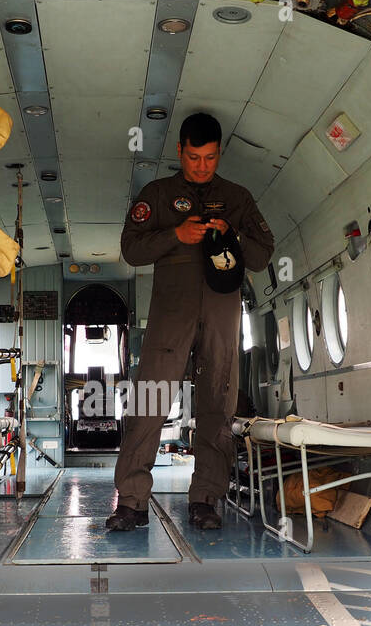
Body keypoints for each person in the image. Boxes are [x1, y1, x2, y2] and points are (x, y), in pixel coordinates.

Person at [107, 112, 274, 532]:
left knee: (217, 405)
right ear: (180, 151)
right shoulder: (159, 195)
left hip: (221, 313)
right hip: (171, 316)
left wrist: (232, 234)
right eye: (194, 157)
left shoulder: (238, 198)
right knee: (148, 403)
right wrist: (175, 236)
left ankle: (205, 499)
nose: (202, 166)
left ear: (220, 154)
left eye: (211, 158)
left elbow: (262, 256)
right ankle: (131, 501)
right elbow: (131, 249)